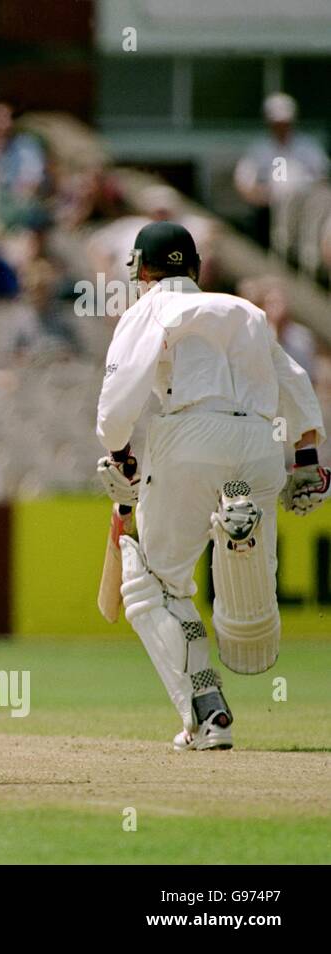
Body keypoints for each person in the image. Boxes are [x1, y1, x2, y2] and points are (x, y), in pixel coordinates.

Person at [96, 222, 328, 752]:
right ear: (196, 267)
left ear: (142, 271)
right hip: (259, 440)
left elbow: (118, 395)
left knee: (153, 584)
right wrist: (308, 459)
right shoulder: (246, 311)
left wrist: (119, 456)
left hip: (189, 436)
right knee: (251, 614)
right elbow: (294, 381)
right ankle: (236, 530)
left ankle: (207, 714)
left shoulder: (149, 308)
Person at [234, 93, 329, 248]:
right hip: (268, 209)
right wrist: (263, 196)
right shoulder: (258, 149)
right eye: (277, 122)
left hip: (304, 208)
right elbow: (243, 183)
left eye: (285, 122)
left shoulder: (308, 147)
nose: (281, 127)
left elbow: (323, 176)